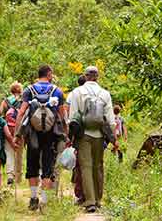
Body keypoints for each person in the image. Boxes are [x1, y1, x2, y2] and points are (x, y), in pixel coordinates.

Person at [15, 65, 68, 211]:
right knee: (47, 165)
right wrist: (66, 133)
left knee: (32, 165)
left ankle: (33, 198)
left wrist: (17, 134)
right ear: (49, 74)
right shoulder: (57, 91)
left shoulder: (29, 90)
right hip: (51, 134)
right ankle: (44, 200)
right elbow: (63, 116)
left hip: (32, 133)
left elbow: (21, 113)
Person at [67, 65, 116, 213]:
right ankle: (99, 199)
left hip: (84, 135)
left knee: (85, 167)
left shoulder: (77, 92)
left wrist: (72, 137)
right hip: (100, 135)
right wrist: (112, 137)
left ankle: (90, 201)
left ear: (85, 76)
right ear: (97, 77)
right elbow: (111, 120)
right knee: (98, 166)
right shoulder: (105, 94)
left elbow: (72, 118)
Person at [1, 81, 23, 185]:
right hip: (20, 130)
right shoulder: (23, 101)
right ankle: (18, 177)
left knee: (9, 152)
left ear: (11, 90)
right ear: (20, 90)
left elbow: (1, 114)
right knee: (19, 153)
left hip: (8, 129)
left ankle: (10, 174)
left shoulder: (5, 101)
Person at [71, 75, 87, 205]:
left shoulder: (74, 94)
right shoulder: (95, 93)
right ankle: (92, 196)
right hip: (95, 134)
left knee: (79, 166)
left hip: (79, 134)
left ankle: (80, 194)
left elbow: (72, 118)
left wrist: (70, 137)